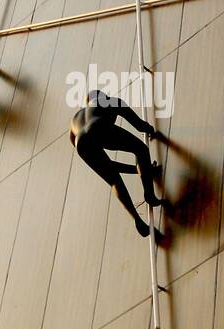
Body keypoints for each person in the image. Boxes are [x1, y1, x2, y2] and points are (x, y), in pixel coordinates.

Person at [69, 89, 164, 238]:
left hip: (80, 141)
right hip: (100, 126)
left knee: (114, 181)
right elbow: (140, 126)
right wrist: (151, 130)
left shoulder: (76, 118)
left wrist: (141, 170)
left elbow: (112, 166)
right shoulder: (110, 101)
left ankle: (137, 220)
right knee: (140, 149)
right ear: (103, 96)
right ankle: (149, 194)